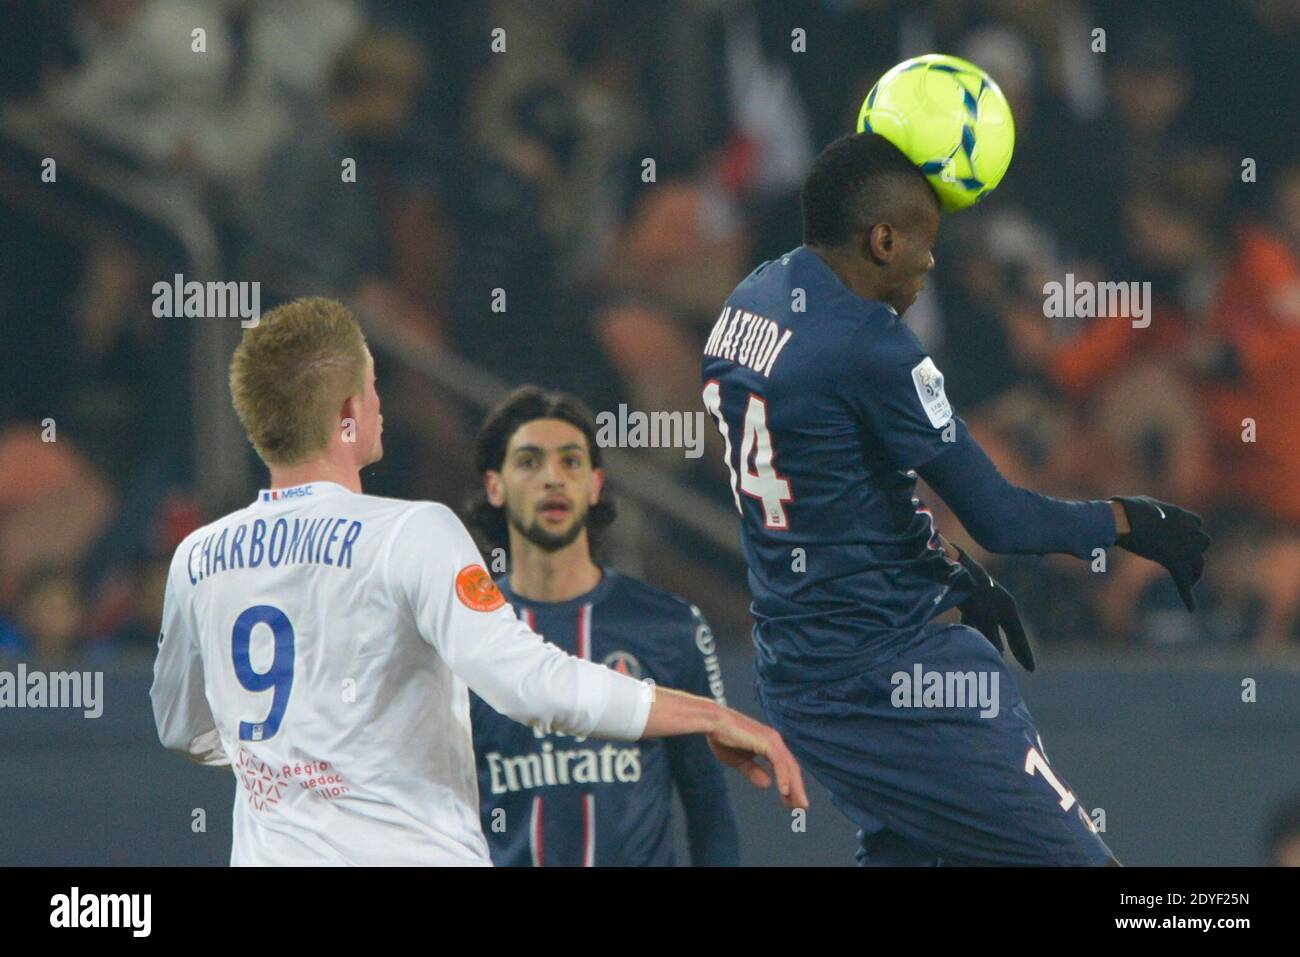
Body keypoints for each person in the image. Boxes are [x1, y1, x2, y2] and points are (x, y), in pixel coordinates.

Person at [150, 296, 806, 866]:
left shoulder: (200, 558)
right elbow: (531, 682)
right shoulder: (411, 533)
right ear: (350, 409)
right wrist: (705, 713)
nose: (381, 403)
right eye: (374, 386)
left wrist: (294, 761)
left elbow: (181, 727)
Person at [700, 134, 1209, 866]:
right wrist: (1129, 520)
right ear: (882, 239)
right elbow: (1001, 517)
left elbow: (825, 478)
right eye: (922, 242)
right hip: (888, 676)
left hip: (798, 671)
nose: (930, 262)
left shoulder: (749, 300)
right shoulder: (871, 344)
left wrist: (935, 562)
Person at [465, 386, 739, 866]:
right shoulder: (465, 634)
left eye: (570, 462)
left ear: (594, 485)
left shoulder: (668, 626)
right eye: (529, 462)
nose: (553, 479)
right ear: (495, 485)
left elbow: (708, 803)